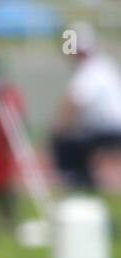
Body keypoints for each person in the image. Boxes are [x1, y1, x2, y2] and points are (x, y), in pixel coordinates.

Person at [51, 21, 121, 191]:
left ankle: (75, 179)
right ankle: (83, 178)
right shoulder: (103, 65)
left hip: (108, 130)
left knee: (64, 140)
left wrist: (60, 128)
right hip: (108, 128)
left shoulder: (89, 70)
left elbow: (73, 102)